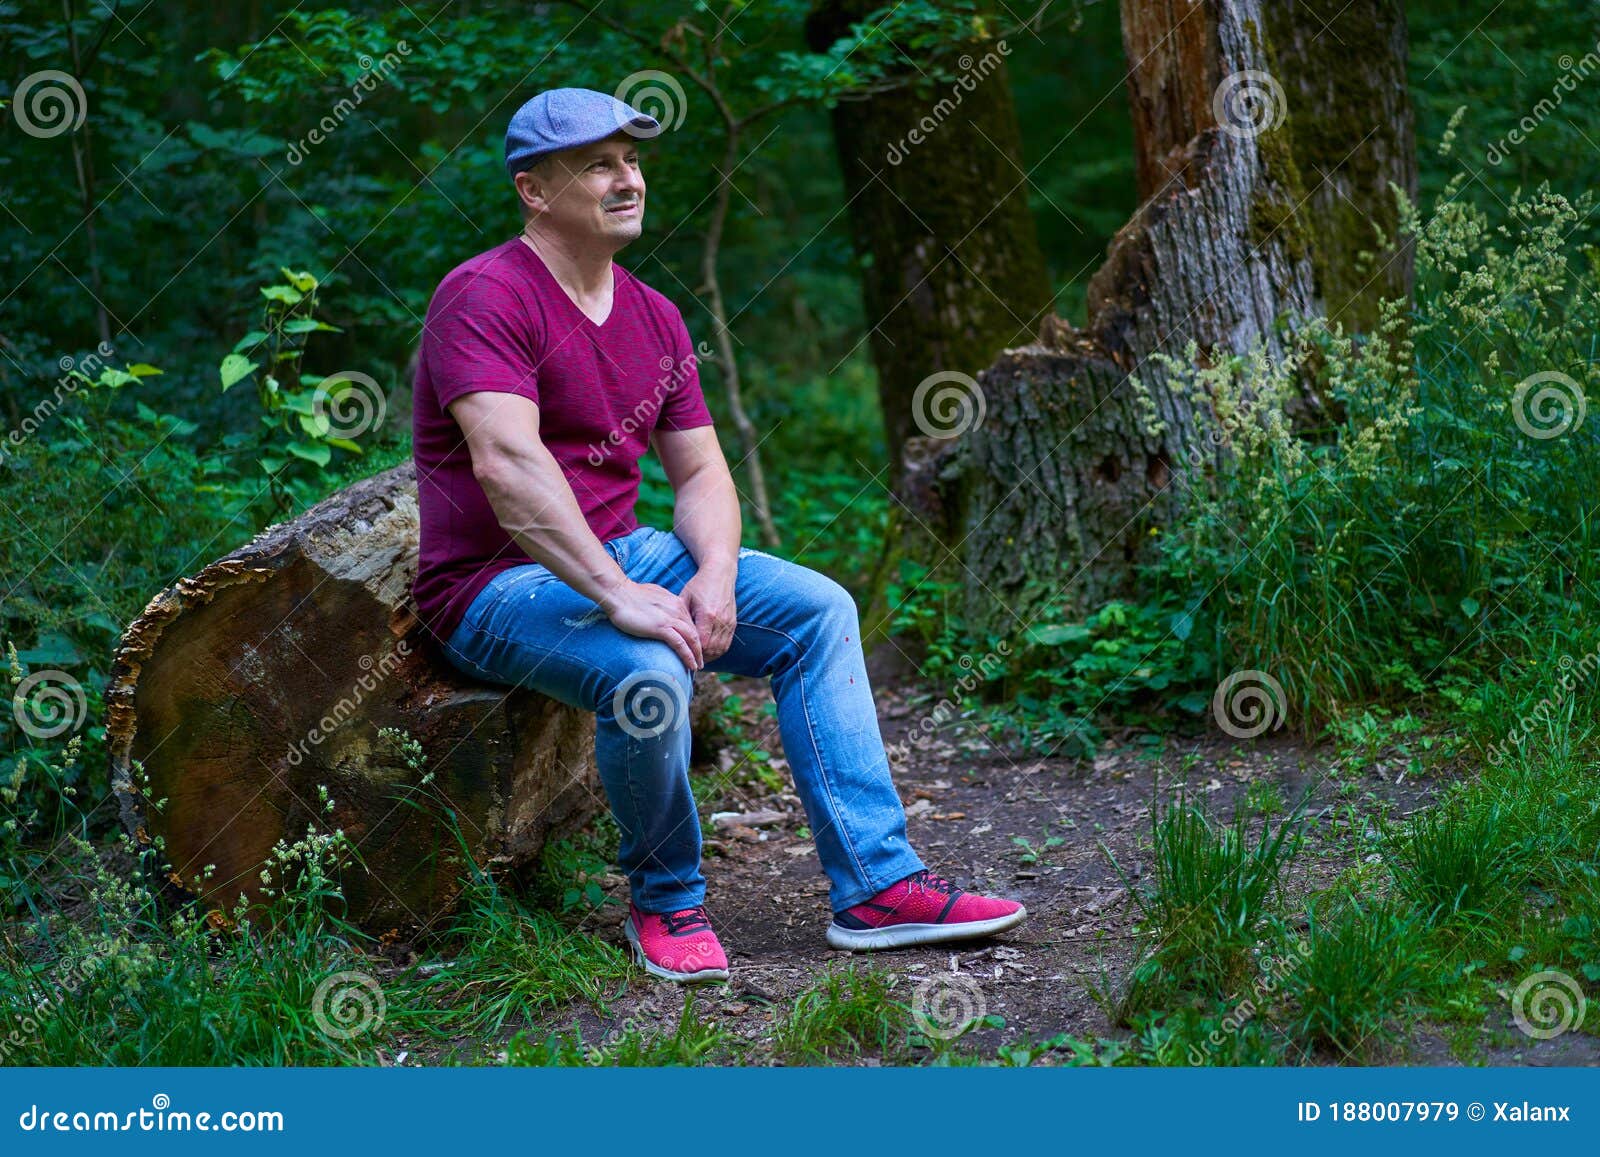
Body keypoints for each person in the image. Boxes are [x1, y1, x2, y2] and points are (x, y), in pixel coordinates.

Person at [410, 87, 1026, 983]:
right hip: (491, 588)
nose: (628, 180)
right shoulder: (484, 296)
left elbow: (700, 474)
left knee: (818, 610)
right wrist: (619, 596)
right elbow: (509, 469)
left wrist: (718, 573)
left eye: (632, 161)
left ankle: (877, 886)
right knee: (649, 670)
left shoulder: (655, 315)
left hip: (619, 551)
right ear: (534, 189)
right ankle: (664, 898)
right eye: (599, 165)